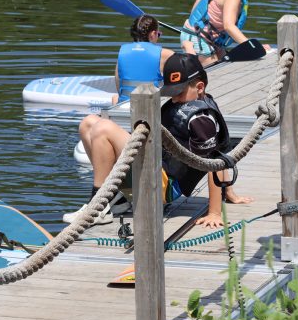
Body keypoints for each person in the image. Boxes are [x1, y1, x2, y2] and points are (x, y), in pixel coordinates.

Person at [65, 53, 251, 228]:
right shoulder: (185, 104)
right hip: (154, 172)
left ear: (200, 87)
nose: (174, 98)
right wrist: (229, 192)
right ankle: (118, 199)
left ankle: (98, 205)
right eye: (171, 92)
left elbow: (215, 161)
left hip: (162, 187)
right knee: (88, 123)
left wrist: (215, 212)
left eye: (179, 92)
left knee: (102, 128)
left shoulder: (200, 118)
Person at [112, 15, 175, 104]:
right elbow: (177, 86)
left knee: (115, 98)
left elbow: (118, 85)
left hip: (125, 106)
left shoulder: (122, 51)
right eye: (158, 34)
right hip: (150, 109)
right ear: (153, 34)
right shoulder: (166, 54)